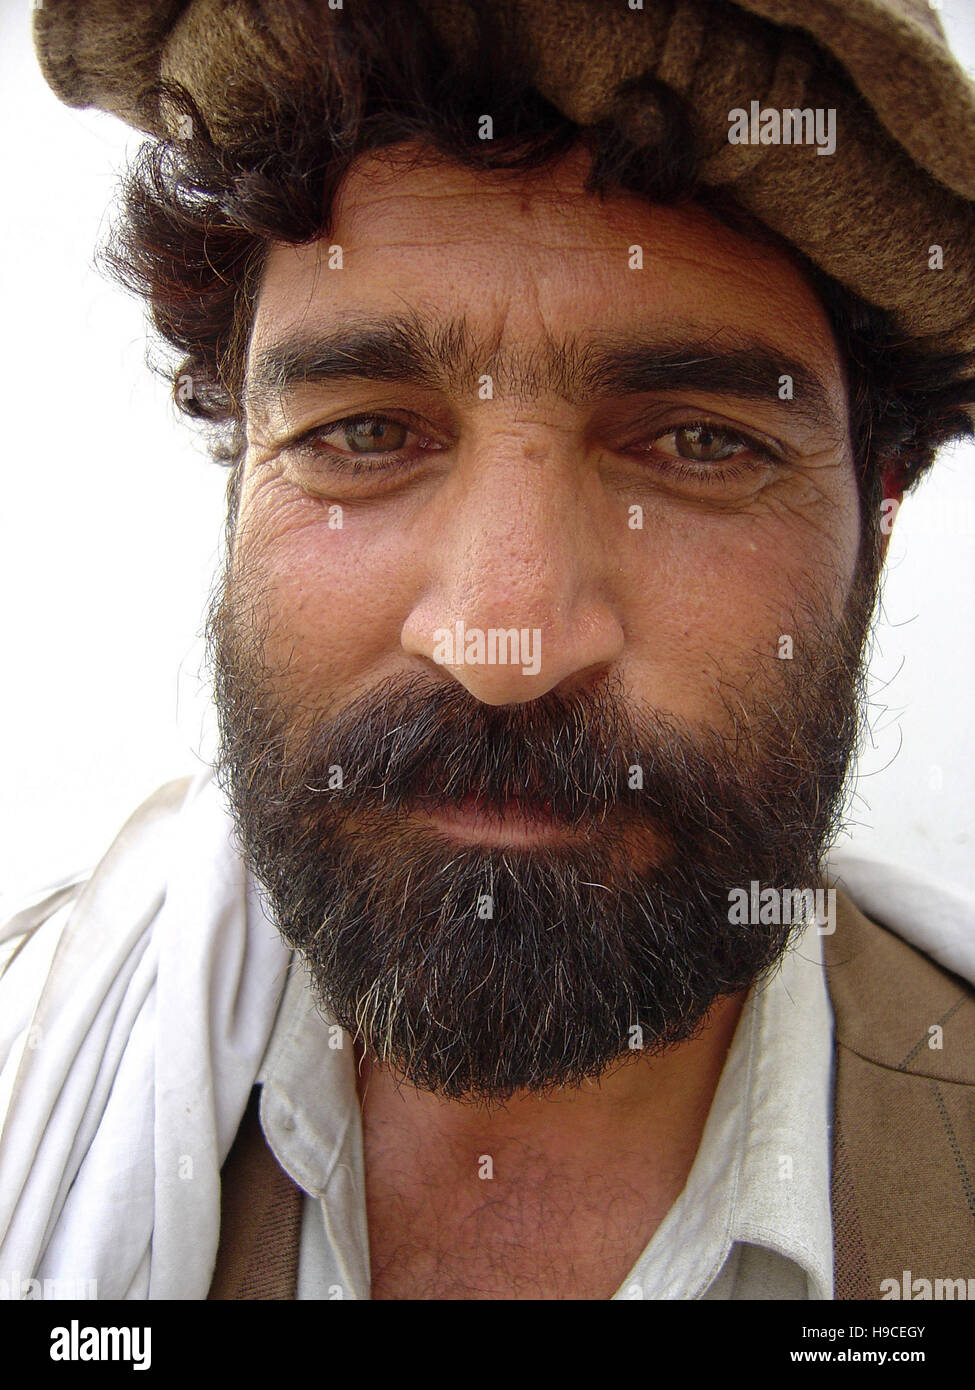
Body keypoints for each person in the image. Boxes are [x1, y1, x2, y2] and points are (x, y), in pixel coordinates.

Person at [2, 0, 974, 1302]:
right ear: (240, 483)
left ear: (880, 517)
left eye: (699, 443)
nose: (501, 645)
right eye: (362, 434)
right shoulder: (33, 1055)